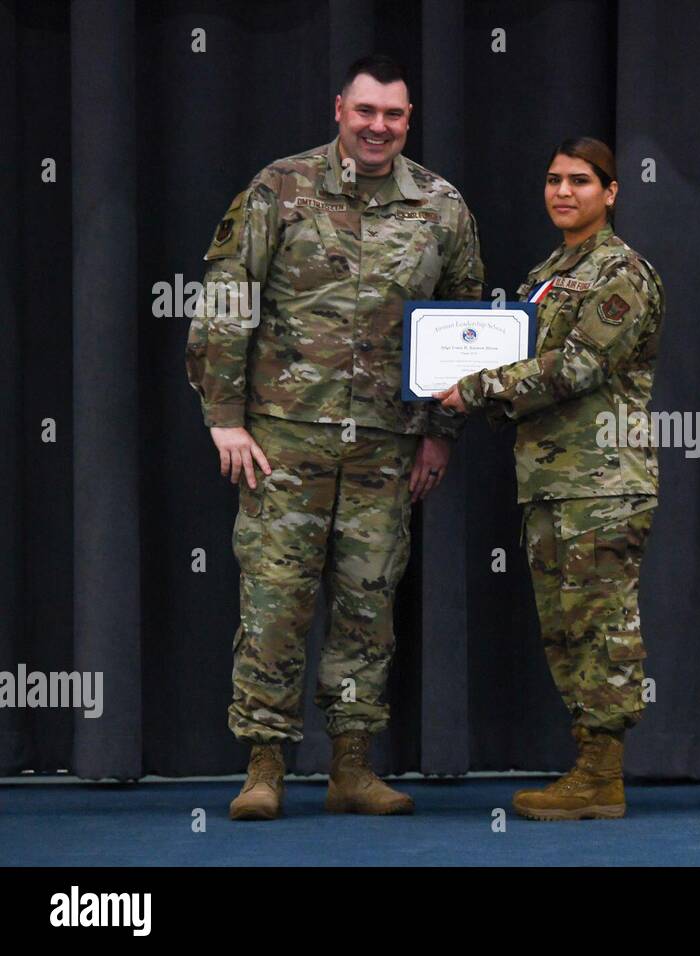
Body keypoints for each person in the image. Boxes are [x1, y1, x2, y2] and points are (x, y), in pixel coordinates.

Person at [185, 54, 484, 820]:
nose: (378, 127)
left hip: (387, 444)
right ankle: (264, 766)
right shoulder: (279, 189)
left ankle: (351, 766)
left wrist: (440, 432)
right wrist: (225, 417)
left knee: (367, 604)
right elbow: (226, 297)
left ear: (408, 121)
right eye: (366, 112)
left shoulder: (441, 207)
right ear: (339, 110)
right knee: (275, 603)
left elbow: (465, 329)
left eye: (393, 116)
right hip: (284, 439)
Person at [435, 137, 664, 821]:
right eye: (554, 179)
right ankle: (589, 766)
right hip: (552, 479)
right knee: (567, 629)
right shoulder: (549, 272)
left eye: (582, 181)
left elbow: (577, 367)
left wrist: (474, 389)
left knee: (602, 626)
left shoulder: (620, 273)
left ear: (612, 192)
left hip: (602, 480)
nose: (564, 192)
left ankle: (603, 776)